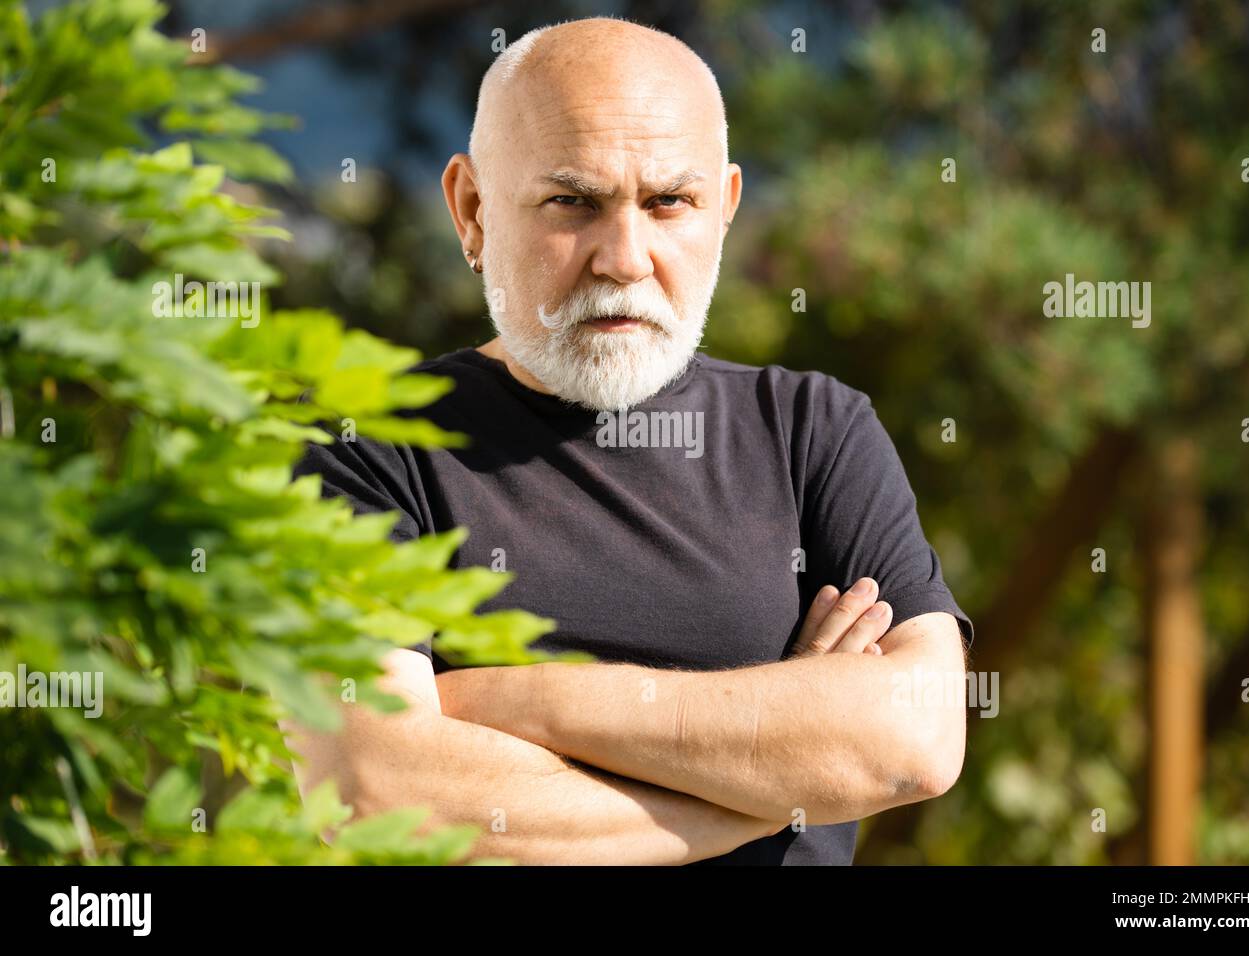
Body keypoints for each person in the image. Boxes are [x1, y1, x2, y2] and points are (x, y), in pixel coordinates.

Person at [285, 15, 973, 865]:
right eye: (573, 201)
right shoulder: (366, 446)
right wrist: (775, 779)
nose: (624, 256)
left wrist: (521, 704)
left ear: (723, 209)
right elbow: (372, 789)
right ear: (470, 210)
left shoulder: (816, 434)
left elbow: (915, 740)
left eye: (668, 202)